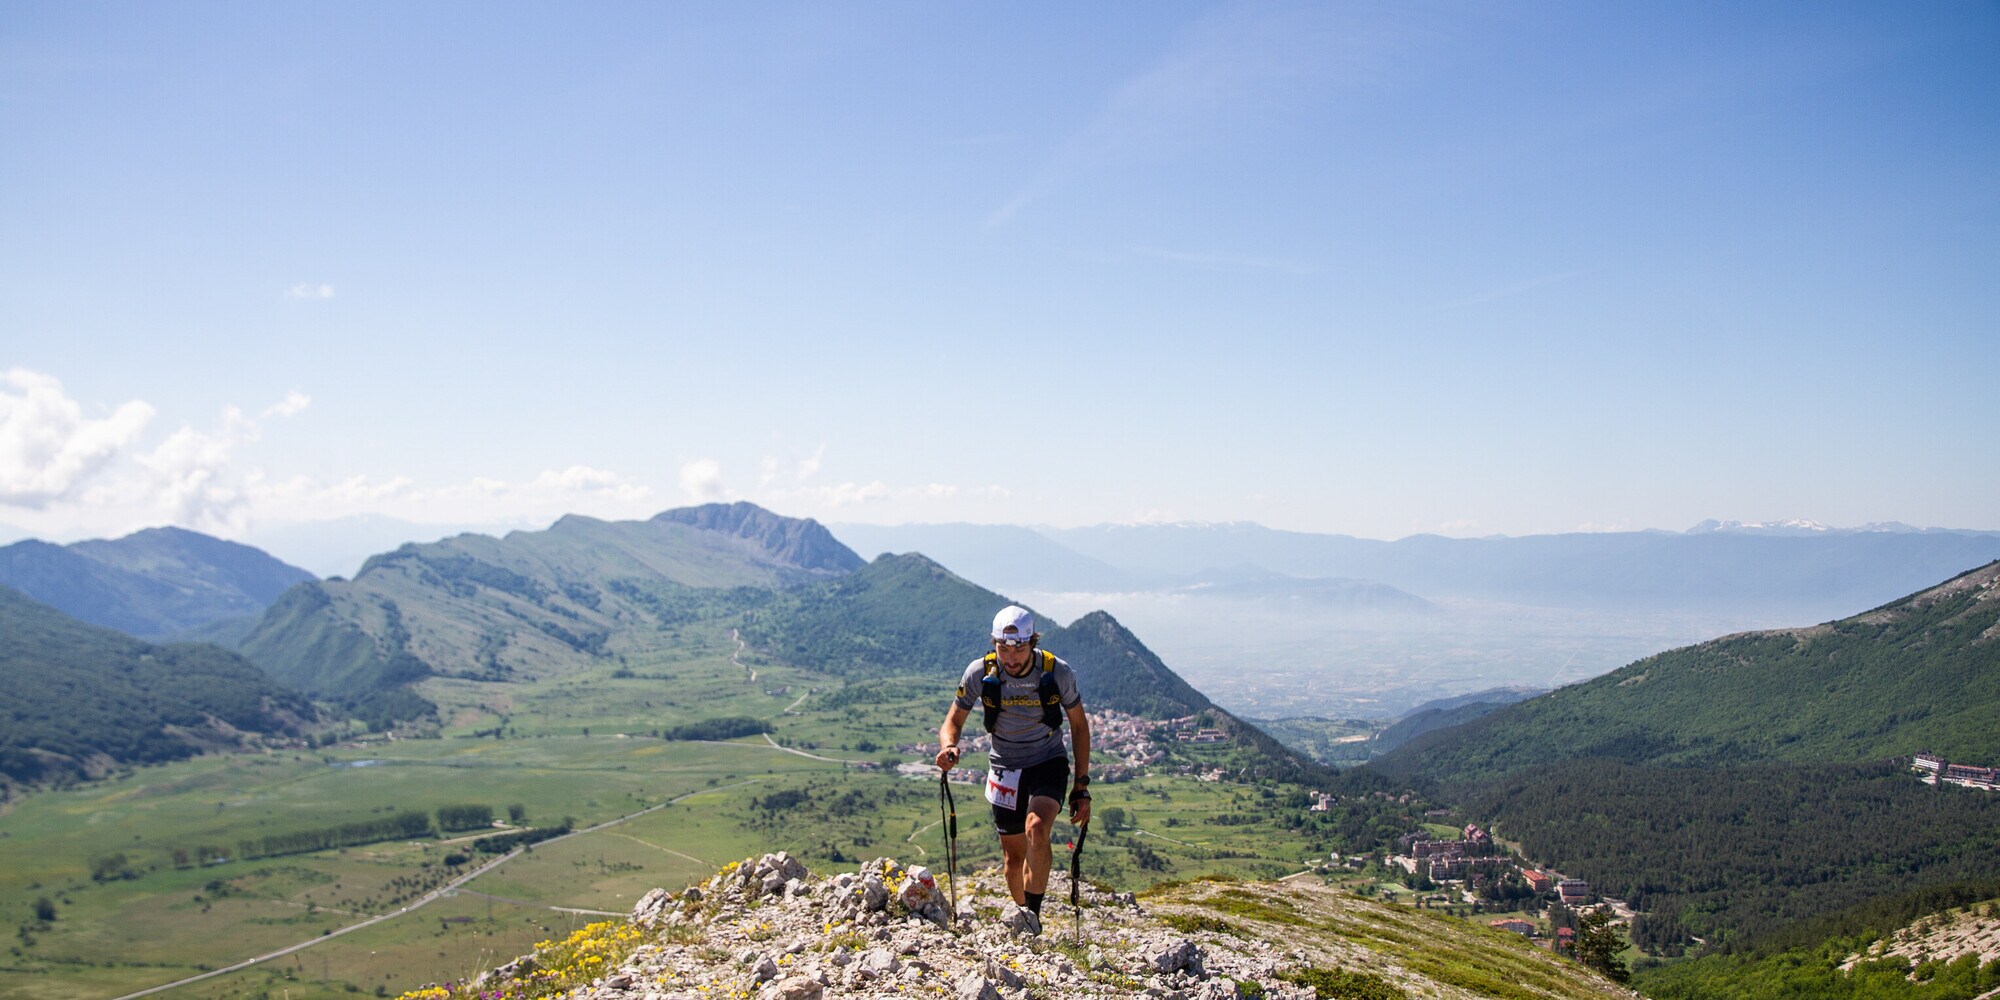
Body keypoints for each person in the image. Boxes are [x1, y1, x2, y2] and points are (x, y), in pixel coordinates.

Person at [935, 605, 1091, 934]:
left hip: (1047, 759)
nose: (1010, 657)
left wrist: (1081, 785)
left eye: (1018, 648)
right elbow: (953, 721)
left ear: (1032, 643)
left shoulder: (1057, 672)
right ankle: (1022, 917)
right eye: (1002, 648)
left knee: (1037, 828)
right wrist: (949, 746)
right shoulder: (980, 673)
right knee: (1012, 860)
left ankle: (1032, 921)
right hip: (1004, 765)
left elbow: (1079, 726)